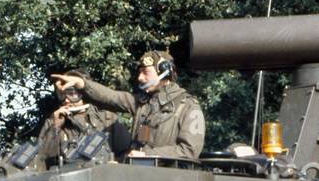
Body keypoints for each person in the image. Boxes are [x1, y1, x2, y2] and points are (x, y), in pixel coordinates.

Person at [51, 50, 205, 160]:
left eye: (146, 72)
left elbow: (189, 151)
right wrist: (82, 84)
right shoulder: (142, 104)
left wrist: (147, 155)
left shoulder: (188, 106)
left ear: (165, 72)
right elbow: (111, 97)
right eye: (140, 72)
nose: (140, 78)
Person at [33, 68, 122, 168]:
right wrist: (55, 127)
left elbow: (126, 154)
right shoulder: (53, 121)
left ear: (84, 94)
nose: (66, 100)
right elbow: (42, 160)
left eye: (72, 94)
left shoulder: (107, 118)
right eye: (62, 95)